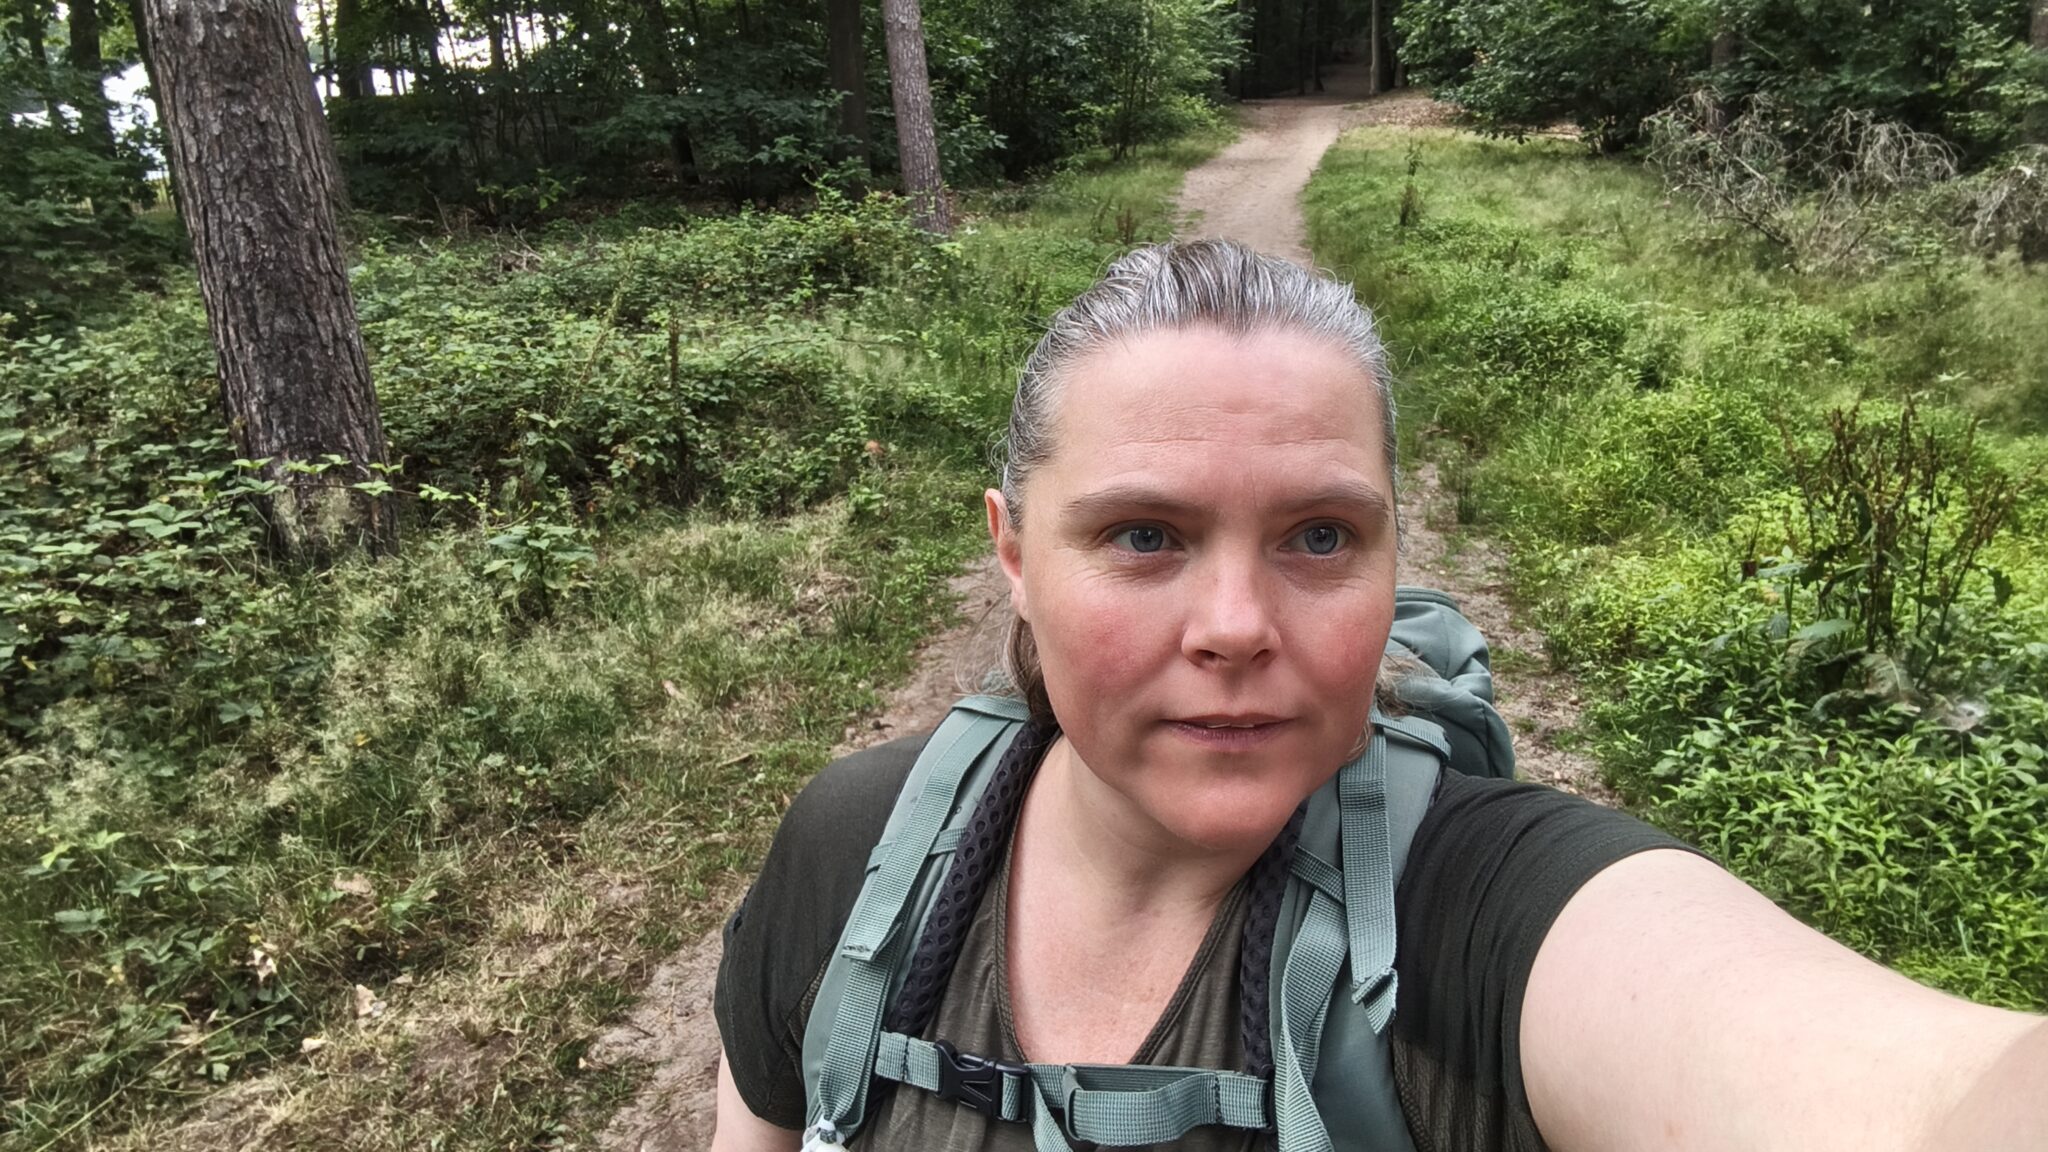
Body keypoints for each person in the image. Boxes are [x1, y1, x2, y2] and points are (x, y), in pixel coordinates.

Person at [709, 239, 2045, 1152]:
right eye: (1143, 537)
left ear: (1396, 547)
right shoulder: (857, 853)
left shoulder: (1481, 914)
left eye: (1320, 537)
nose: (1236, 628)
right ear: (1011, 553)